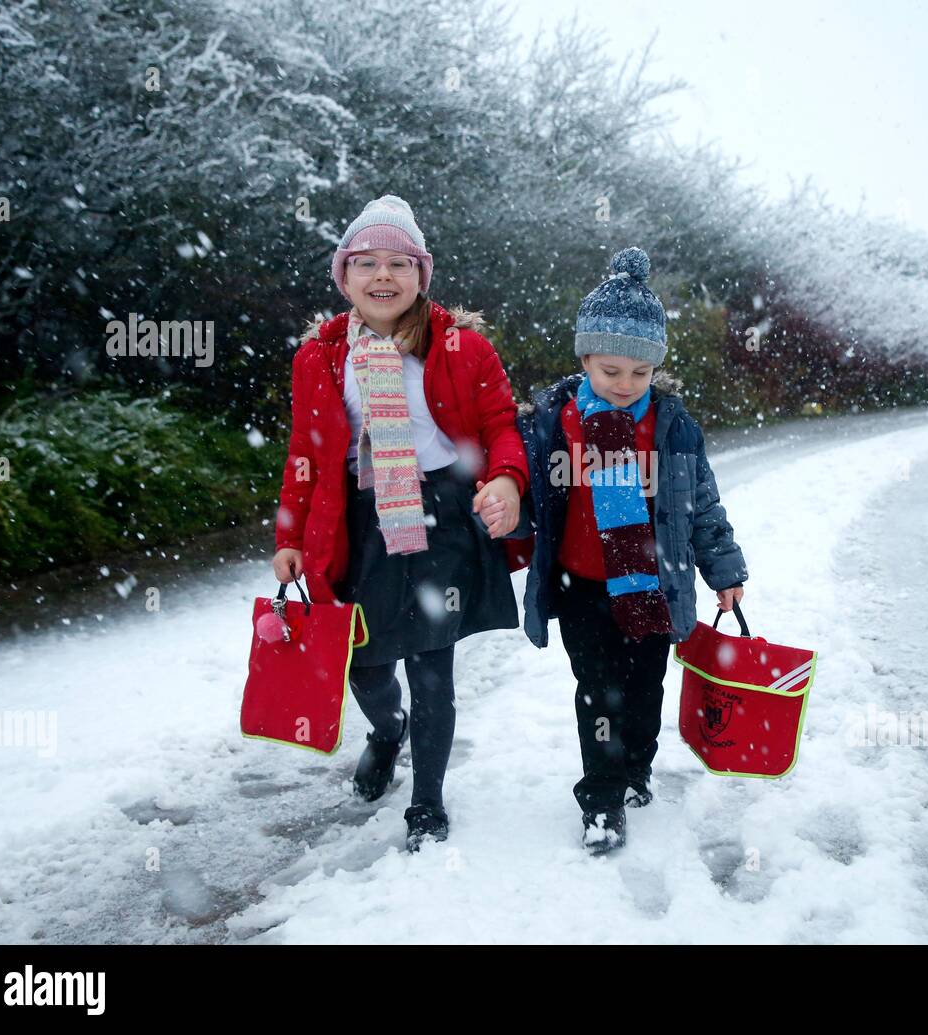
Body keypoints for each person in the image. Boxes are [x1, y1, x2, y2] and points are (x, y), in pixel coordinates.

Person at [272, 194, 529, 851]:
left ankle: (427, 801)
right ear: (345, 275)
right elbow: (305, 453)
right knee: (363, 660)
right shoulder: (319, 357)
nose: (382, 275)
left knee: (431, 662)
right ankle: (388, 730)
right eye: (366, 262)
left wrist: (504, 477)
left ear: (421, 274)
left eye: (398, 262)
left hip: (440, 516)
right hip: (359, 524)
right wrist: (291, 537)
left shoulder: (463, 346)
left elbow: (501, 424)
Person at [509, 246, 748, 854]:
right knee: (598, 691)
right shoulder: (551, 423)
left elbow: (704, 504)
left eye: (639, 374)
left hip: (652, 584)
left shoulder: (672, 426)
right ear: (586, 358)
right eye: (611, 370)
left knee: (643, 693)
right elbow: (534, 497)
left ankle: (637, 764)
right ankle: (602, 796)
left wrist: (723, 569)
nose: (624, 385)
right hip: (581, 584)